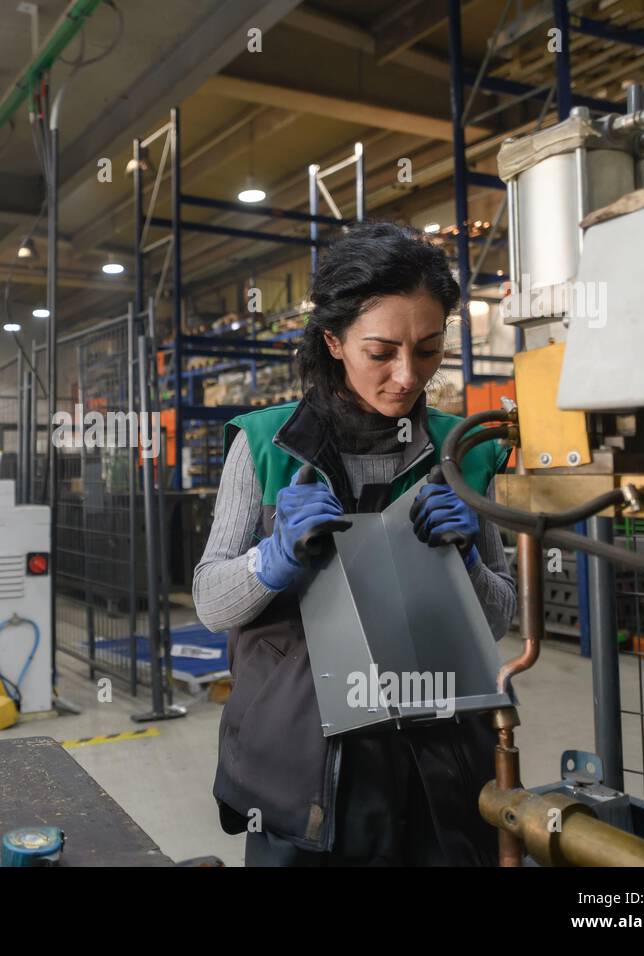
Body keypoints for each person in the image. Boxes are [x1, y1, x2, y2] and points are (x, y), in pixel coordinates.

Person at [193, 221, 517, 866]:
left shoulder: (462, 451)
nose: (406, 376)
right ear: (334, 341)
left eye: (427, 350)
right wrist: (273, 559)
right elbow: (211, 603)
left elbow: (499, 620)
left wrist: (469, 562)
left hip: (441, 759)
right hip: (303, 768)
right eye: (381, 351)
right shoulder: (263, 445)